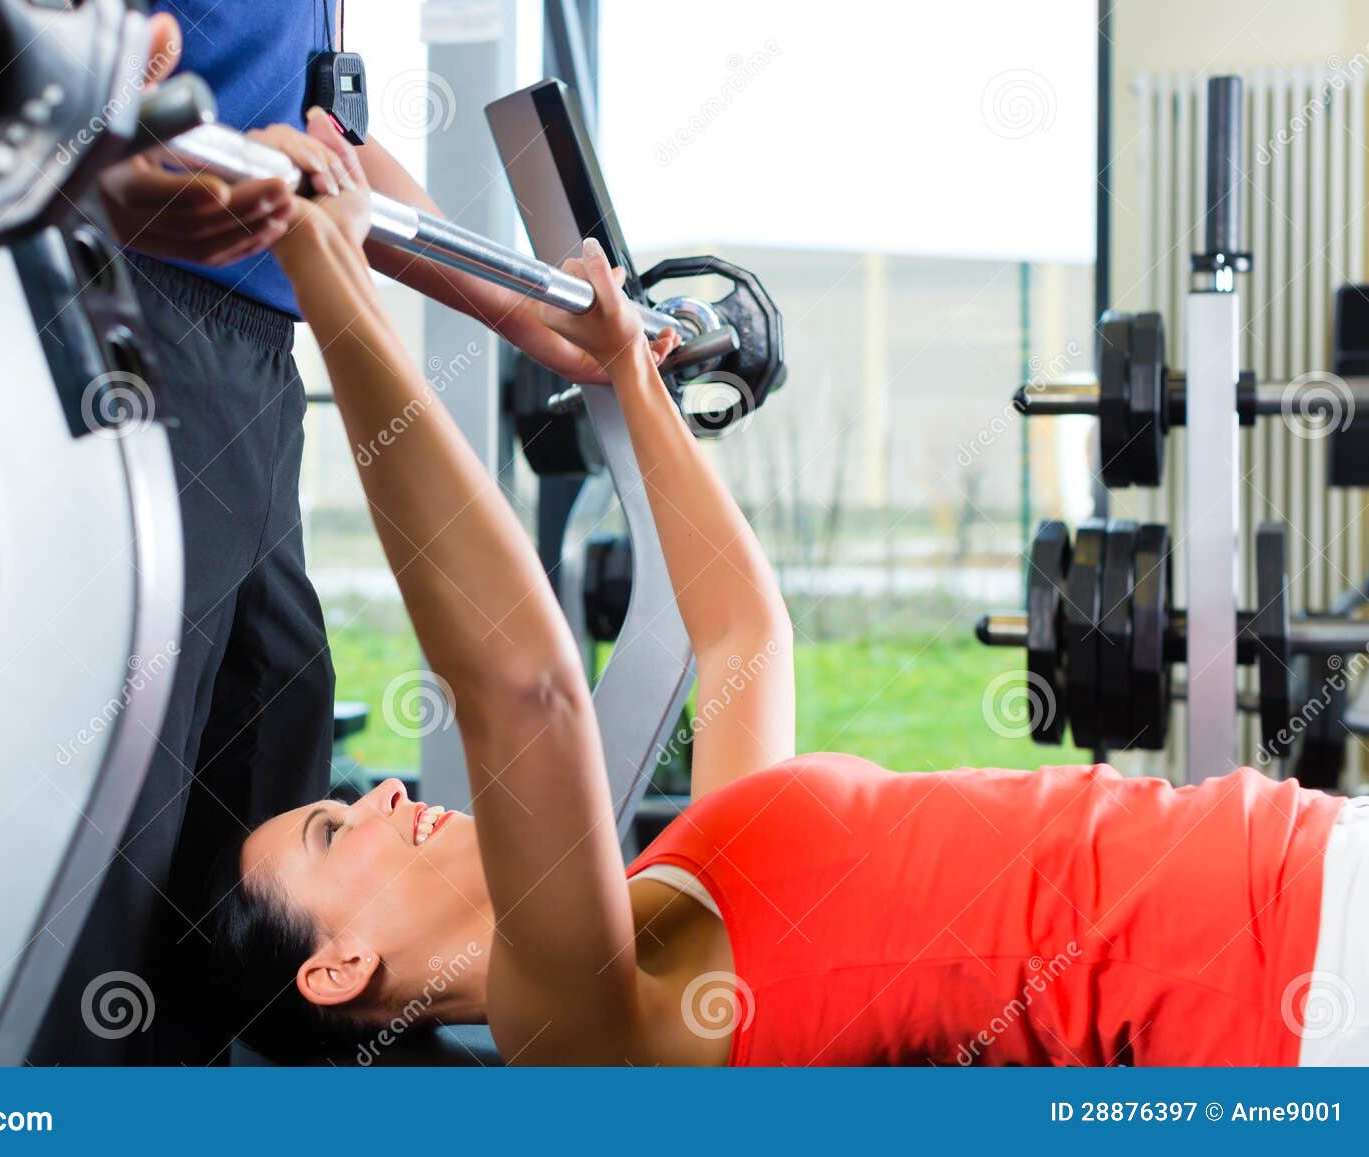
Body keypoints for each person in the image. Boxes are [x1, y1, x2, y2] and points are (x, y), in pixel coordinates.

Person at [207, 115, 1369, 1068]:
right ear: (336, 967)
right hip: (1284, 986)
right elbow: (520, 686)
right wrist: (323, 270)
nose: (379, 791)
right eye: (327, 827)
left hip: (1283, 851)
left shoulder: (670, 882)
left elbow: (740, 633)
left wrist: (628, 370)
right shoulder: (576, 1039)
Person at [0, 4, 605, 1064]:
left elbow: (330, 152)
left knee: (261, 817)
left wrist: (528, 312)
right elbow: (8, 61)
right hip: (82, 311)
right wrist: (91, 165)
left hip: (251, 354)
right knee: (72, 862)